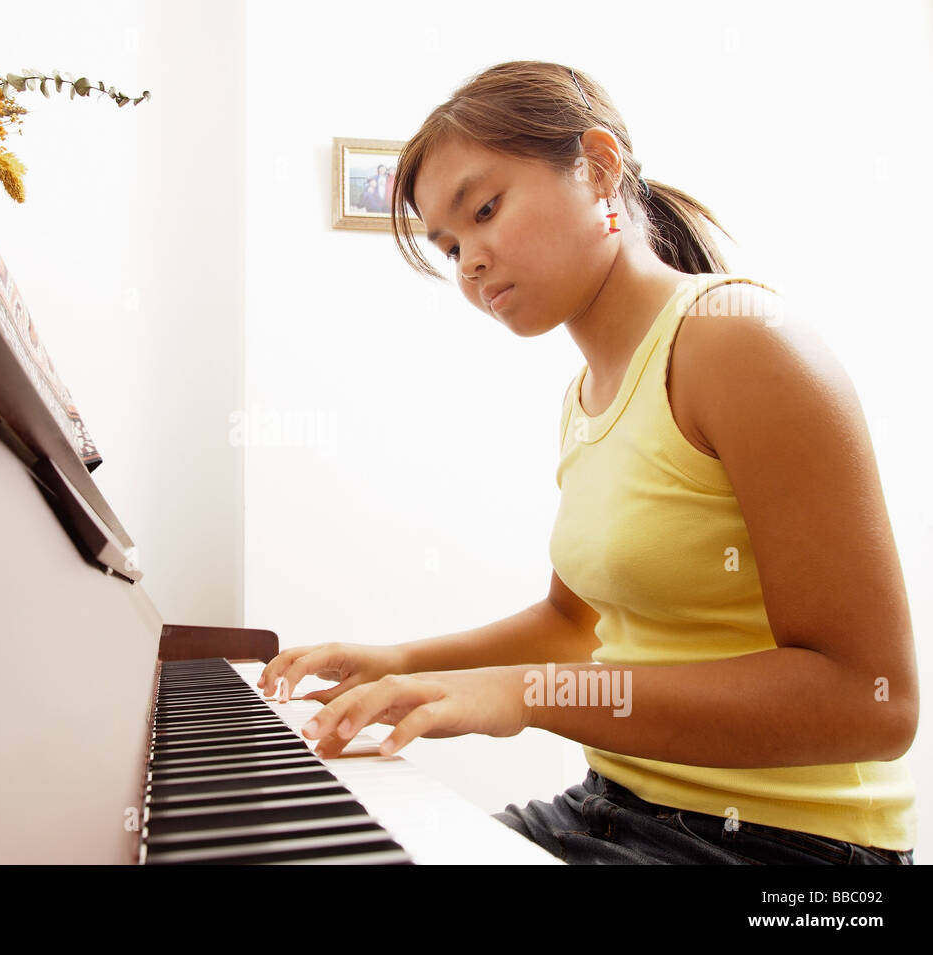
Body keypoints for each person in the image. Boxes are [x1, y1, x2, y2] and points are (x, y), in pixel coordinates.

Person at [258, 60, 916, 865]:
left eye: (486, 209)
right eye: (449, 244)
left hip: (788, 851)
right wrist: (402, 659)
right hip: (616, 808)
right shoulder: (587, 396)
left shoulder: (743, 342)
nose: (467, 262)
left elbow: (872, 703)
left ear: (599, 168)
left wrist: (525, 694)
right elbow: (574, 627)